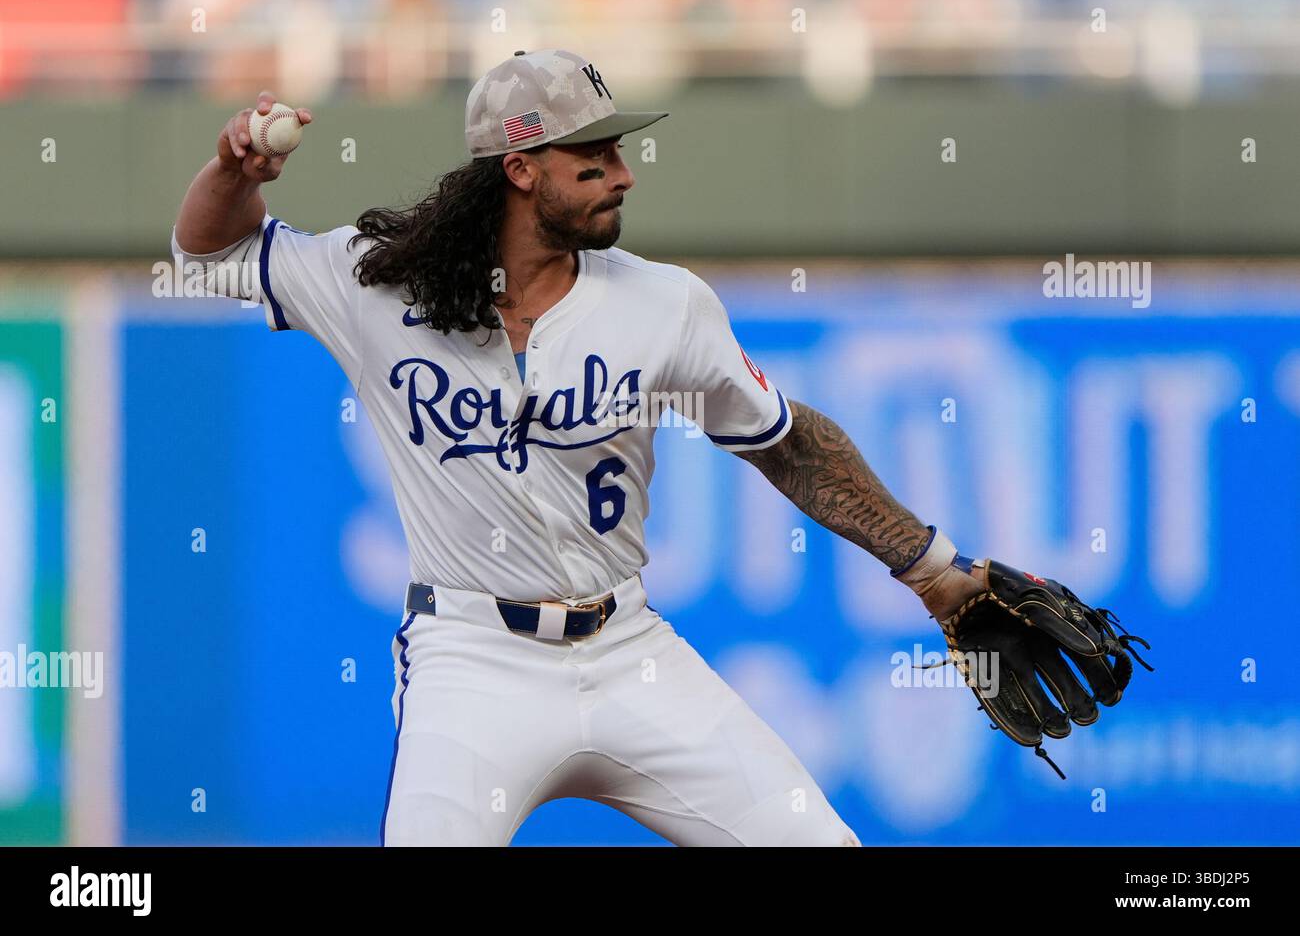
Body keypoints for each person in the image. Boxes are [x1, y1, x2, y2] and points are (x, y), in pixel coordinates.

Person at [170, 49, 1043, 846]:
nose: (623, 174)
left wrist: (933, 569)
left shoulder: (665, 304)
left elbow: (787, 442)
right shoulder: (377, 281)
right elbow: (208, 251)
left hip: (629, 653)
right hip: (472, 660)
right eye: (593, 159)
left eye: (619, 151)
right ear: (519, 169)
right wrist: (232, 173)